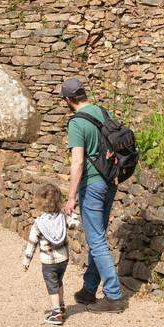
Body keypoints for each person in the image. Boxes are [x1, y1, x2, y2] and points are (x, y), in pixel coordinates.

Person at [61, 77, 125, 311]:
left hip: (93, 185)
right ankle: (89, 290)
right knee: (97, 237)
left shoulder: (77, 123)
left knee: (96, 240)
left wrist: (71, 197)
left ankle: (114, 296)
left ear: (68, 100)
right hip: (110, 182)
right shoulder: (103, 112)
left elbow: (77, 162)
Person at [23, 182, 78, 324]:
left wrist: (27, 260)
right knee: (59, 282)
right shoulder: (62, 217)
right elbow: (75, 224)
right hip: (63, 259)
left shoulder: (38, 223)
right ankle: (61, 305)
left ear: (39, 202)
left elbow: (32, 243)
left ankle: (56, 313)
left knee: (52, 285)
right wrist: (73, 214)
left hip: (49, 262)